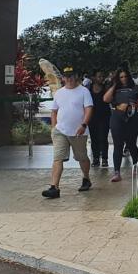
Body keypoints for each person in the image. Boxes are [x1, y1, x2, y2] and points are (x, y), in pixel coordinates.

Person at [43, 66, 94, 199]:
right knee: (58, 158)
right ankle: (54, 187)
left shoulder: (83, 91)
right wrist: (54, 128)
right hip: (61, 131)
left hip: (78, 132)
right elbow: (54, 111)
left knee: (81, 157)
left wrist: (84, 124)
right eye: (67, 76)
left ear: (75, 77)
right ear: (63, 78)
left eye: (71, 76)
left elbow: (88, 109)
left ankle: (86, 178)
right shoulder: (59, 93)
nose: (69, 79)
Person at [103, 68, 138, 182]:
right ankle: (117, 172)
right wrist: (114, 85)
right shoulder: (115, 89)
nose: (123, 79)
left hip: (132, 118)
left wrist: (135, 105)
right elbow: (106, 99)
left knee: (131, 143)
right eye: (121, 77)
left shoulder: (135, 88)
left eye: (125, 76)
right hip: (117, 117)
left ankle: (136, 166)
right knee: (118, 144)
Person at [87, 69, 111, 168]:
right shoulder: (88, 89)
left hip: (104, 116)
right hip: (92, 117)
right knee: (94, 138)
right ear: (93, 78)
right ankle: (96, 158)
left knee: (103, 138)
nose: (101, 78)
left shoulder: (106, 88)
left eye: (102, 76)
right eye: (99, 76)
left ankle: (104, 159)